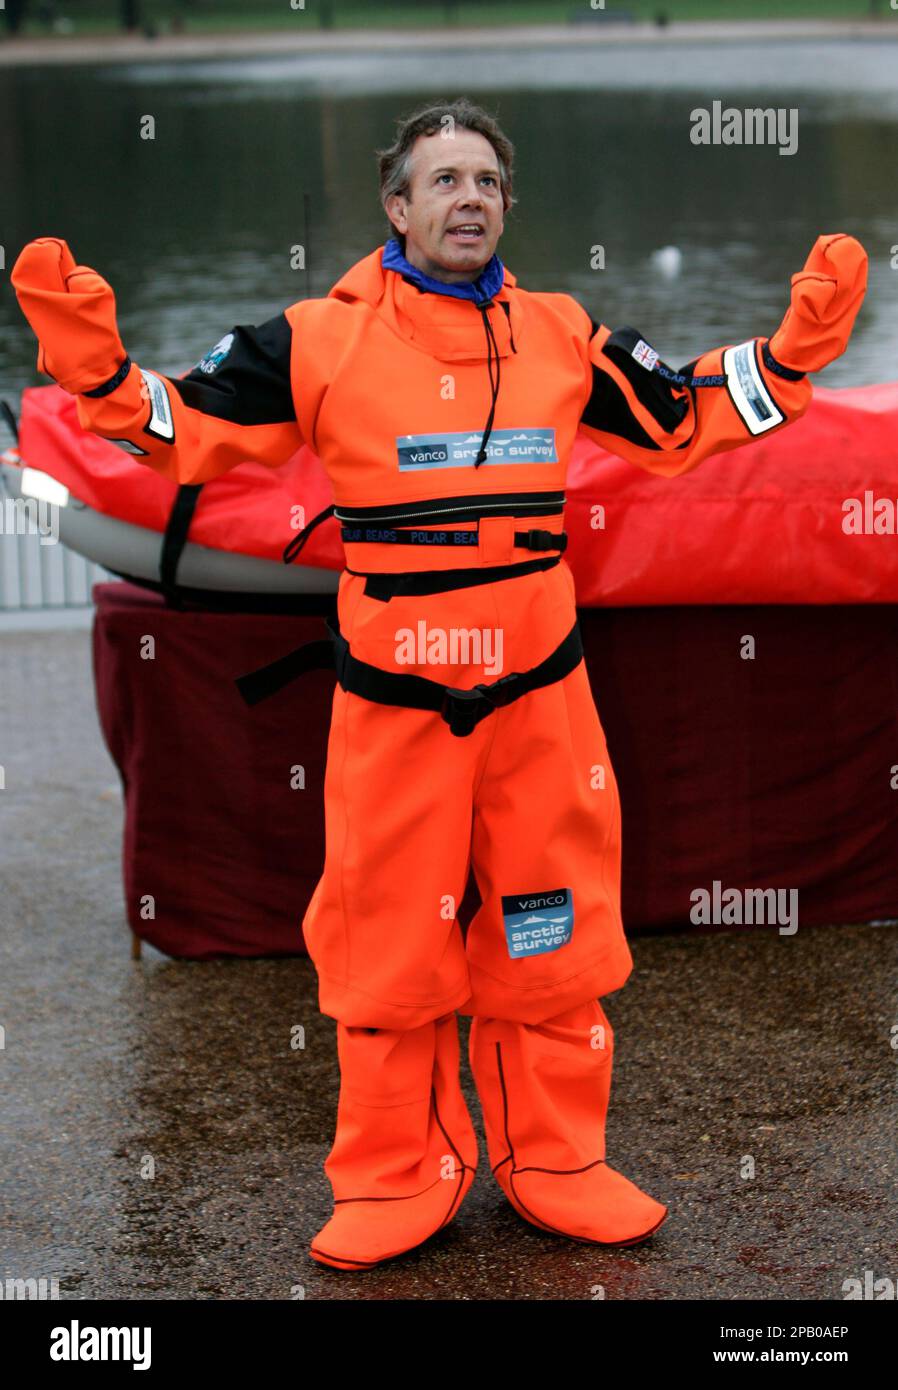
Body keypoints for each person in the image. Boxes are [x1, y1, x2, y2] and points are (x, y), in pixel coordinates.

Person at [12, 97, 867, 1273]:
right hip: (394, 708)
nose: (467, 198)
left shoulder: (565, 334)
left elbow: (683, 418)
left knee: (550, 936)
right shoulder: (316, 340)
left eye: (486, 181)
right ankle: (394, 1178)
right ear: (396, 204)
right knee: (384, 953)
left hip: (539, 705)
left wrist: (790, 356)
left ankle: (555, 1160)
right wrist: (97, 366)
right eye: (443, 179)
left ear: (506, 207)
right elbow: (180, 426)